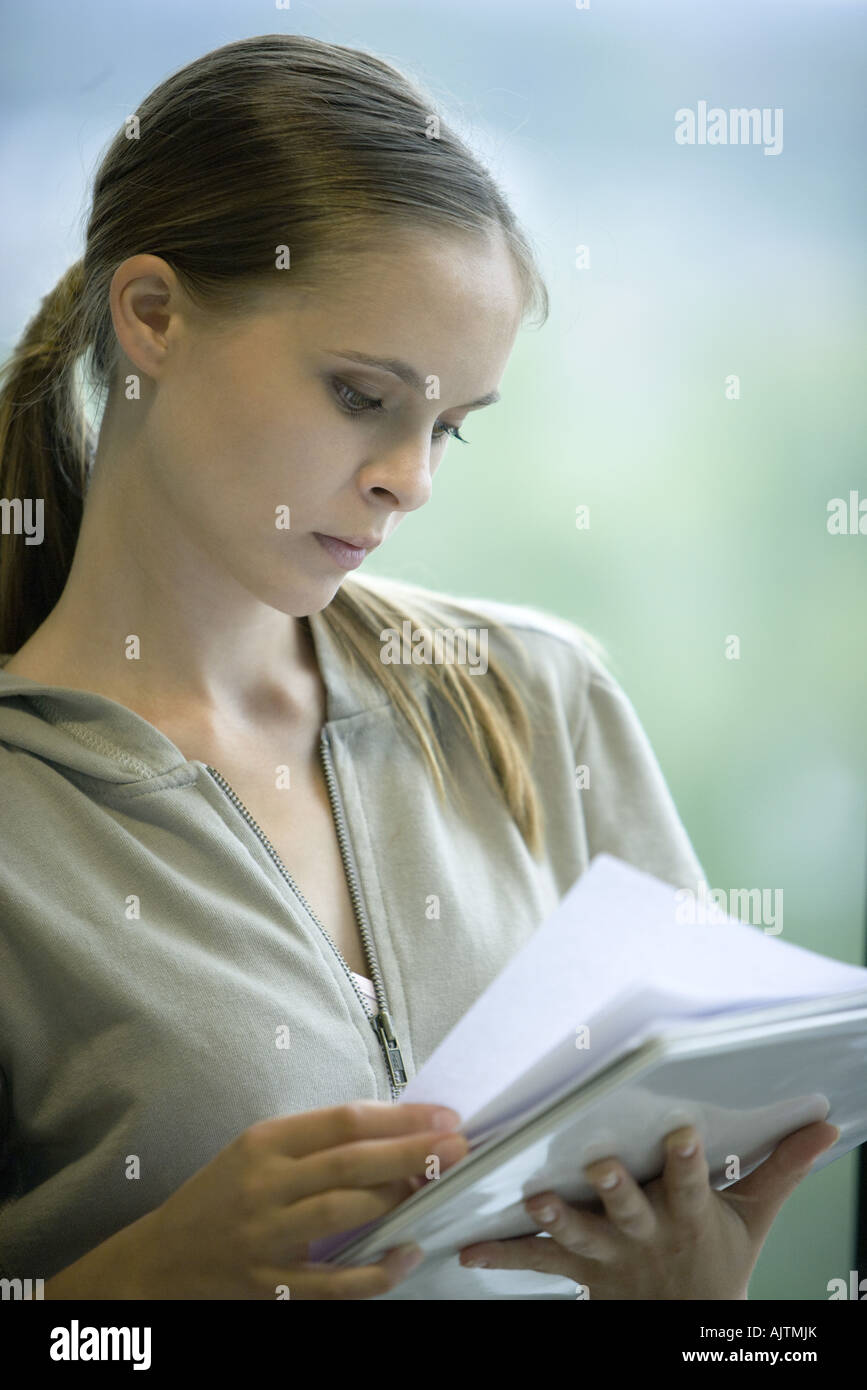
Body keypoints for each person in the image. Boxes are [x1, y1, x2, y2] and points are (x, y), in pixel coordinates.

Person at [0, 33, 836, 1302]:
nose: (415, 476)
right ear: (153, 316)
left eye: (449, 425)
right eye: (359, 396)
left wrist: (693, 1305)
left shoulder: (541, 700)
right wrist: (130, 1292)